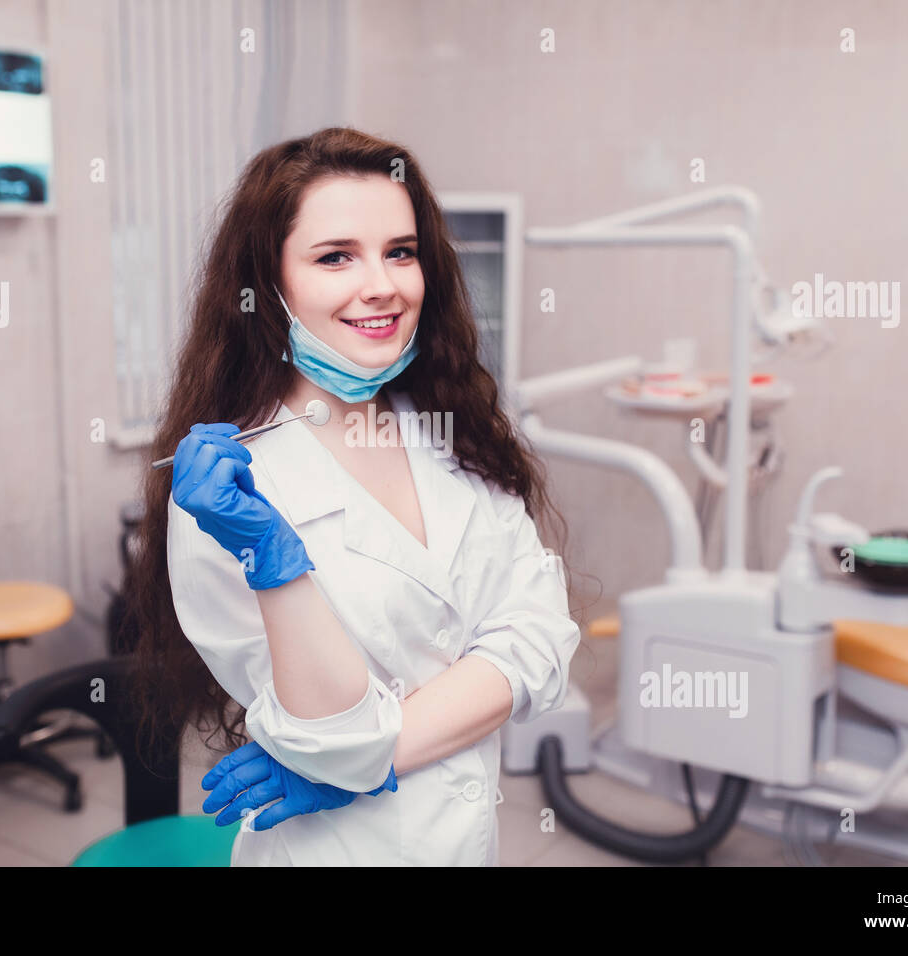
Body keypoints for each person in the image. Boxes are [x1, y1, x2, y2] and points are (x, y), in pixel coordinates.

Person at [127, 127, 582, 866]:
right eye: (336, 256)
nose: (383, 285)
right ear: (268, 286)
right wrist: (275, 562)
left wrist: (370, 760)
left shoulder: (451, 431)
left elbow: (540, 638)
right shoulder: (231, 492)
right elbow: (333, 733)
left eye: (400, 252)